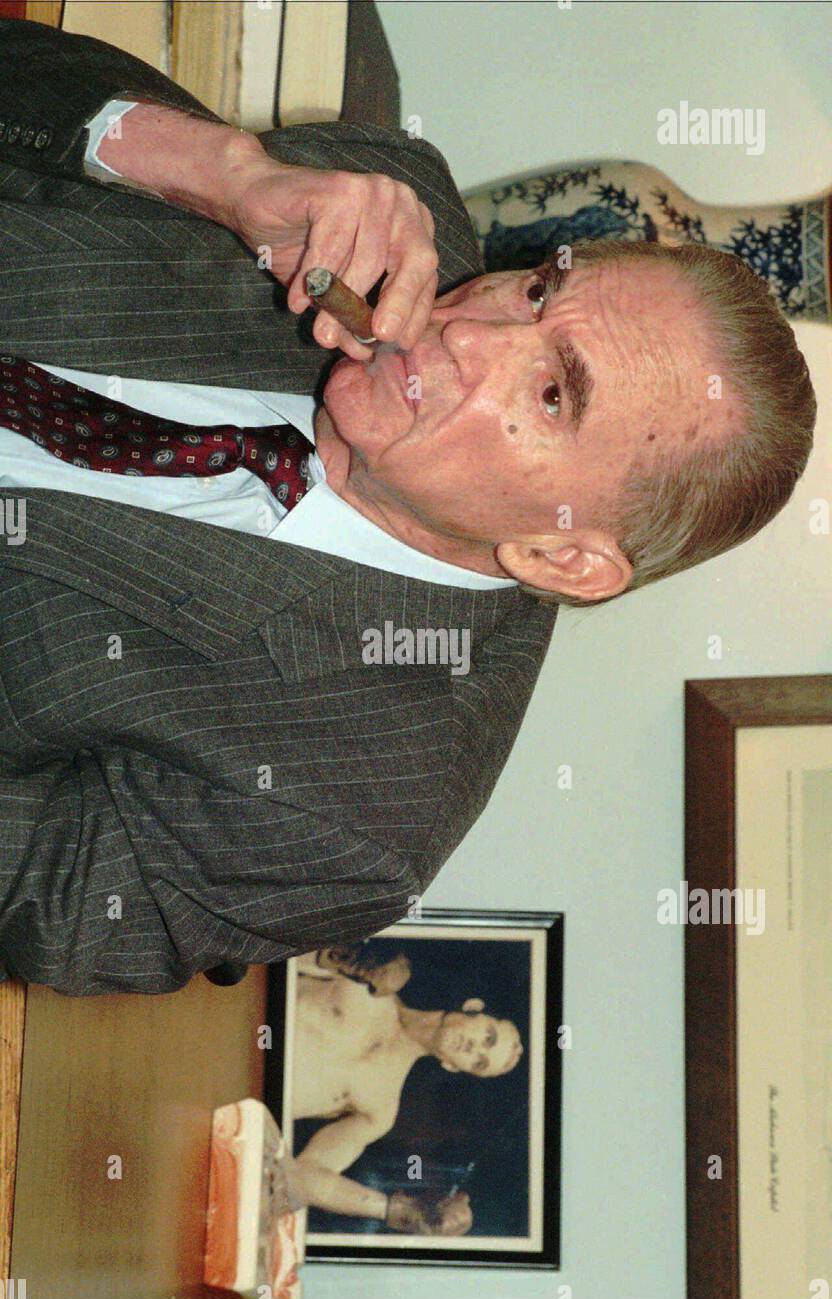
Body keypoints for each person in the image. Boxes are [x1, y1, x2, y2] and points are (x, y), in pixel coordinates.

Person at [0, 20, 817, 995]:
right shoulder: (393, 219)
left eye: (552, 392)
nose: (464, 329)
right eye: (534, 290)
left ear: (563, 560)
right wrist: (213, 167)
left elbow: (32, 902)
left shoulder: (358, 808)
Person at [284, 944, 522, 1236]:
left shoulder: (380, 1108)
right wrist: (341, 957)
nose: (475, 1049)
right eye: (488, 1037)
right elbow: (272, 960)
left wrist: (403, 1212)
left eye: (479, 1062)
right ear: (472, 1008)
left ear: (454, 1067)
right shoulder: (364, 982)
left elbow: (301, 1178)